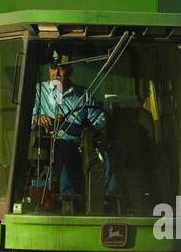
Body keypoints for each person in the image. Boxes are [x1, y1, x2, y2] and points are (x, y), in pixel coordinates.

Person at [32, 57, 121, 207]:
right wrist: (38, 118)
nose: (57, 72)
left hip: (82, 141)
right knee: (65, 148)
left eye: (62, 68)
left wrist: (91, 131)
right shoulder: (38, 91)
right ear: (49, 70)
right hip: (53, 143)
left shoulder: (83, 94)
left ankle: (108, 198)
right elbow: (25, 118)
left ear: (70, 71)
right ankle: (68, 199)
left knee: (114, 150)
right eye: (54, 67)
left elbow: (99, 118)